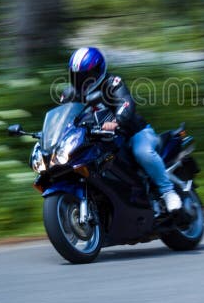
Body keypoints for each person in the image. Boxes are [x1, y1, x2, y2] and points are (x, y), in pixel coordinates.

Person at [61, 46, 182, 213]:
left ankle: (168, 192)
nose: (82, 80)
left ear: (98, 70)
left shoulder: (112, 83)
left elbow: (126, 102)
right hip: (98, 138)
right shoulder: (70, 94)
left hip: (133, 132)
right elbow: (63, 116)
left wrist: (117, 121)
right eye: (77, 76)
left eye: (86, 76)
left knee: (142, 153)